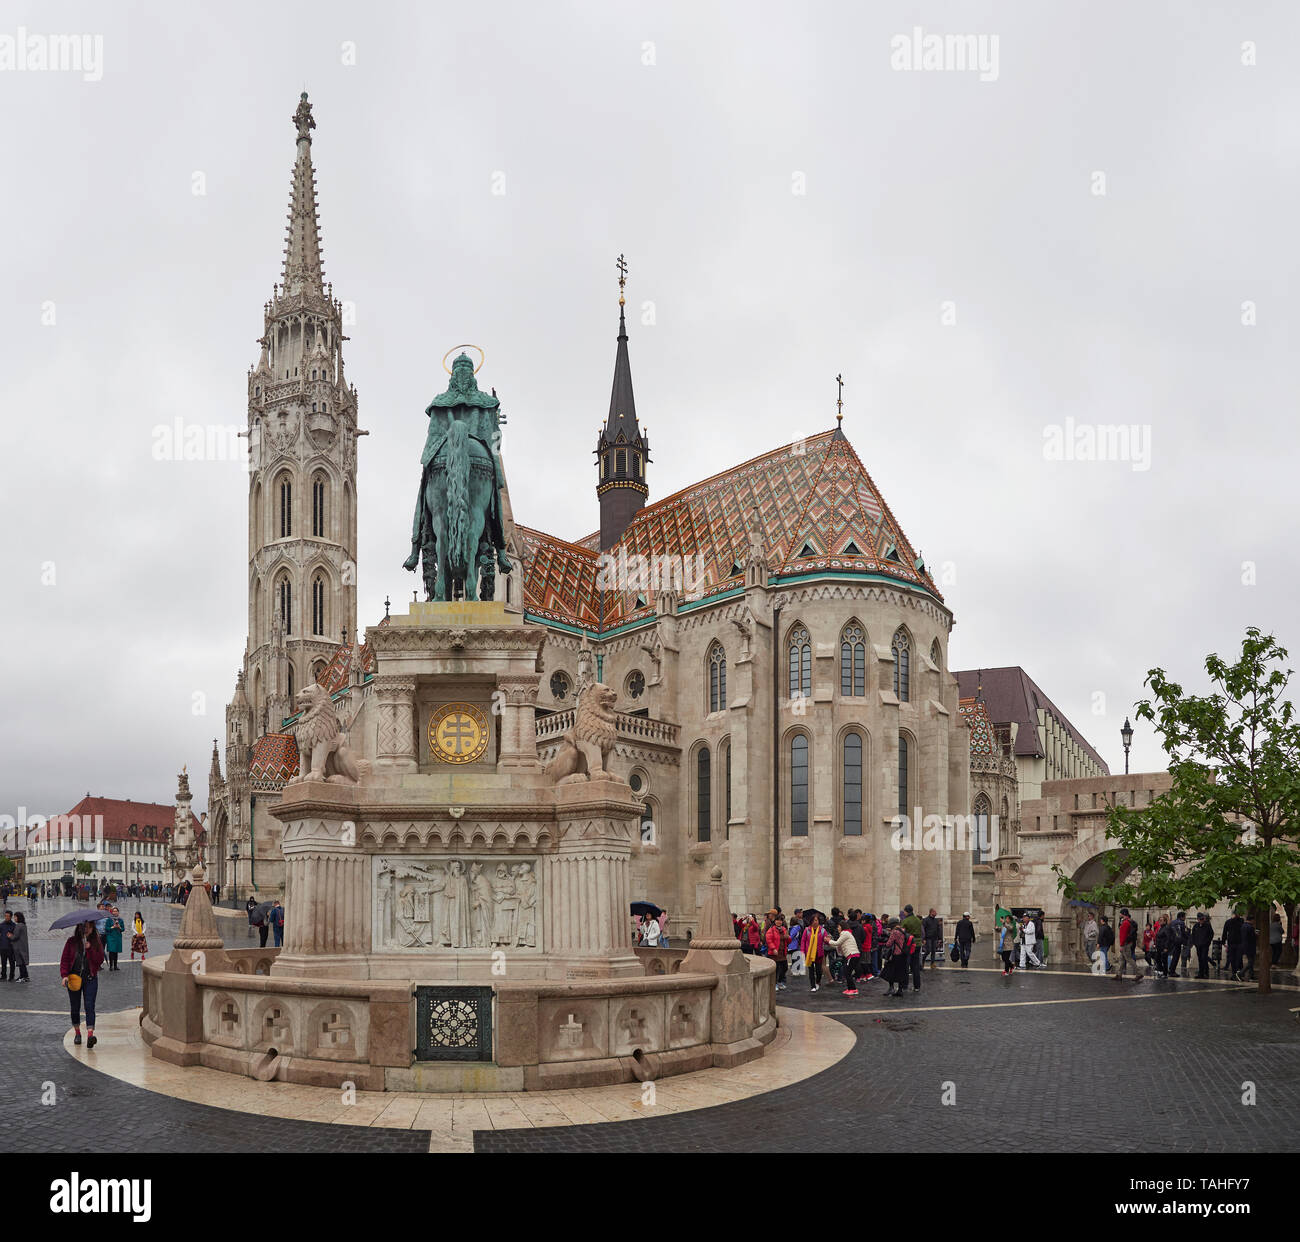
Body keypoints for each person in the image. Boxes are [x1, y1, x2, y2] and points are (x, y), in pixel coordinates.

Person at [61, 922, 105, 1048]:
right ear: (79, 928)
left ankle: (90, 1035)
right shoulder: (71, 942)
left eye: (88, 927)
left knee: (89, 1005)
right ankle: (77, 1032)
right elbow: (64, 959)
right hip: (74, 978)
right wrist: (64, 975)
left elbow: (100, 960)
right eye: (83, 927)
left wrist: (90, 948)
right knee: (75, 1007)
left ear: (92, 928)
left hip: (90, 978)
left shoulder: (96, 942)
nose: (86, 929)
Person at [827, 920, 862, 996]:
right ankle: (850, 988)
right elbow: (837, 946)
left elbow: (837, 943)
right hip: (853, 955)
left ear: (842, 927)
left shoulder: (845, 933)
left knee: (847, 973)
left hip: (852, 955)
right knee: (847, 972)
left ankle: (853, 989)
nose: (837, 928)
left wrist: (829, 941)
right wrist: (830, 943)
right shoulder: (846, 934)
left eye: (838, 926)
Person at [883, 918, 911, 997]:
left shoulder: (894, 932)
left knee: (890, 971)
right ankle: (900, 989)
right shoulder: (903, 930)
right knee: (901, 972)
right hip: (903, 954)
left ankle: (891, 988)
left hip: (896, 954)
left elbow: (889, 944)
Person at [901, 904, 924, 992]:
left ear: (906, 911)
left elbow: (902, 933)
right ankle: (917, 986)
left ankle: (904, 985)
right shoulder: (918, 920)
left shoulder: (905, 921)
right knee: (915, 966)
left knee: (906, 965)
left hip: (909, 944)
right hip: (917, 944)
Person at [801, 914, 827, 993]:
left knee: (819, 971)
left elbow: (826, 940)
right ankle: (812, 986)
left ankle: (817, 982)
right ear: (811, 921)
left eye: (816, 920)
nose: (815, 922)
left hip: (819, 953)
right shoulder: (807, 930)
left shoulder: (822, 930)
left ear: (819, 921)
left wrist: (827, 940)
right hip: (809, 953)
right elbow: (803, 941)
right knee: (811, 970)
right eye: (813, 920)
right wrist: (802, 951)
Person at [766, 914, 788, 990]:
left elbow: (788, 940)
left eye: (780, 920)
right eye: (777, 920)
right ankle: (774, 983)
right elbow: (769, 940)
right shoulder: (771, 929)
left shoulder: (784, 929)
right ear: (775, 921)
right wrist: (773, 948)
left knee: (785, 968)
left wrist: (788, 938)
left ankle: (780, 982)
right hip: (775, 953)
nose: (779, 922)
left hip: (782, 952)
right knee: (776, 969)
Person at [1116, 907, 1139, 981]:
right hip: (1127, 943)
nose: (1119, 914)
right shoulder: (1127, 921)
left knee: (1129, 959)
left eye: (1120, 913)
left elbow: (1123, 935)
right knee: (1121, 959)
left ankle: (1139, 973)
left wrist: (1121, 945)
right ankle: (1119, 975)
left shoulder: (1125, 923)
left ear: (1123, 914)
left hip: (1125, 944)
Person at [1222, 909, 1245, 980]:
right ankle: (1235, 974)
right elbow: (1225, 933)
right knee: (1234, 959)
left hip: (1237, 943)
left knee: (1237, 959)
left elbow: (1225, 933)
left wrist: (1223, 942)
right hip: (1233, 943)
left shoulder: (1240, 921)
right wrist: (1223, 942)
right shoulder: (1231, 922)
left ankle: (1237, 973)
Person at [1191, 912, 1213, 978]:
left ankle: (1206, 973)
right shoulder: (1196, 926)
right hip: (1198, 945)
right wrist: (1195, 943)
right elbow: (1193, 935)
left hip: (1205, 946)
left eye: (1202, 919)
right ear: (1198, 919)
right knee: (1200, 959)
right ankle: (1201, 973)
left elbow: (1211, 934)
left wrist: (1207, 943)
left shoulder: (1207, 925)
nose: (1202, 920)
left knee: (1204, 958)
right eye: (1200, 919)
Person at [1168, 912, 1190, 977]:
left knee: (1174, 957)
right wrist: (1188, 933)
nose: (1185, 918)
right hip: (1178, 942)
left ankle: (1171, 969)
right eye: (1184, 917)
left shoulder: (1172, 922)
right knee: (1176, 957)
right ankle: (1172, 971)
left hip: (1172, 942)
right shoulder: (1182, 923)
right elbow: (1184, 933)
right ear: (1181, 917)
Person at [10, 913, 29, 982]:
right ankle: (24, 976)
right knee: (22, 962)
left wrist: (10, 936)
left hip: (18, 947)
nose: (14, 918)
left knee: (21, 963)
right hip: (23, 946)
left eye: (15, 917)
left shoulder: (18, 926)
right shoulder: (23, 925)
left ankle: (23, 977)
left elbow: (15, 936)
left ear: (18, 918)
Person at [0, 911, 15, 981]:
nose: (6, 917)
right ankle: (3, 976)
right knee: (3, 962)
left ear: (11, 917)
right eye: (5, 916)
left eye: (8, 916)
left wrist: (12, 936)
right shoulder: (1, 925)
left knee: (12, 963)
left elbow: (16, 936)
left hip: (10, 947)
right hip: (2, 947)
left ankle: (11, 976)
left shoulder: (14, 925)